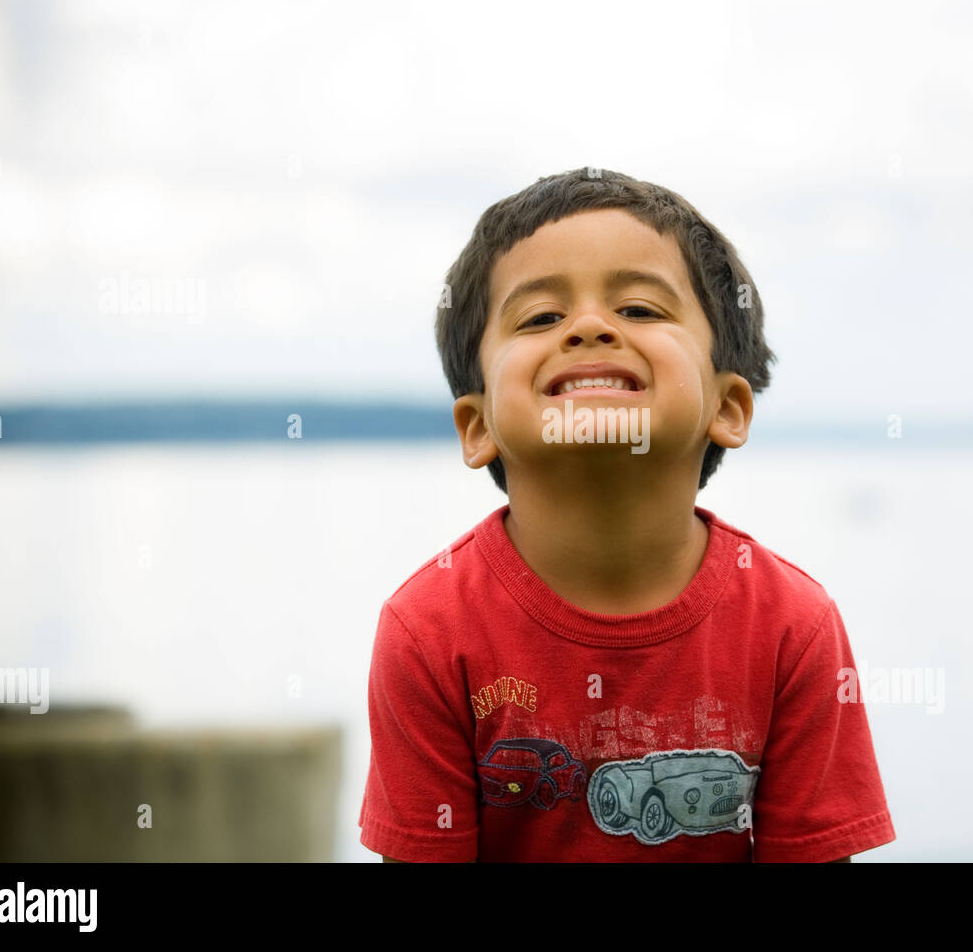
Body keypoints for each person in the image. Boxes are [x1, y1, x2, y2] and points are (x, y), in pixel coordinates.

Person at [359, 168, 896, 862]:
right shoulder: (427, 631)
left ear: (728, 408)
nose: (587, 326)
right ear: (477, 424)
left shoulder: (794, 626)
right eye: (540, 317)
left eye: (640, 308)